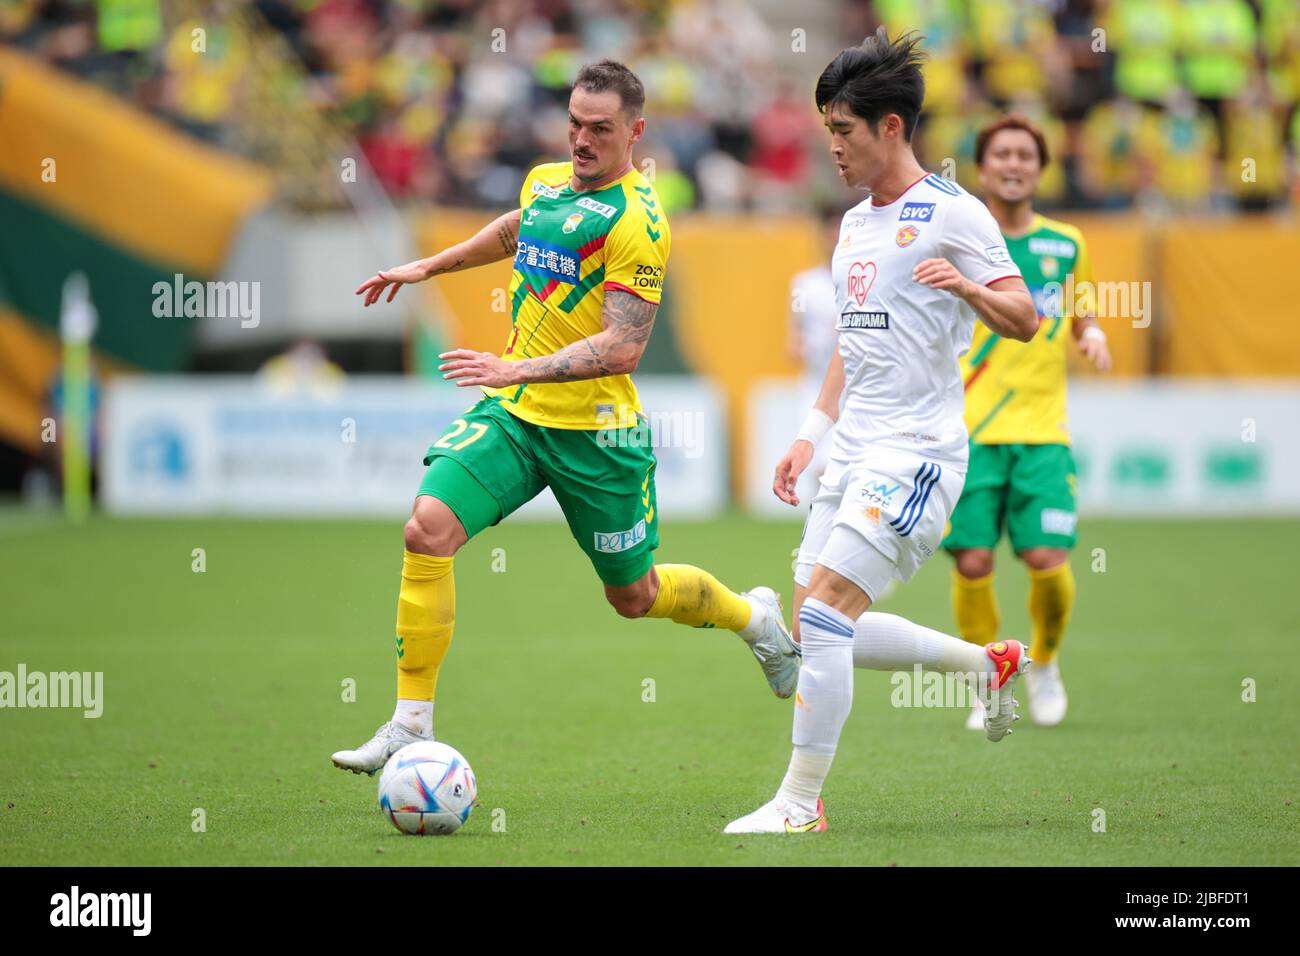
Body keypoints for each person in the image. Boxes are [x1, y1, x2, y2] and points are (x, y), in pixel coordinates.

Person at [332, 60, 798, 775]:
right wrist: (429, 267)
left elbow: (624, 345)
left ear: (636, 132)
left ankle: (754, 619)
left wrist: (511, 366)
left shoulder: (638, 221)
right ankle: (409, 725)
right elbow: (520, 228)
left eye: (600, 129)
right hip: (516, 419)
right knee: (426, 530)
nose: (581, 140)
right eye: (575, 124)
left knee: (634, 597)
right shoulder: (546, 179)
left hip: (597, 438)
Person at [726, 30, 1039, 834]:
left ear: (892, 126)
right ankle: (988, 666)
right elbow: (851, 345)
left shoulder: (954, 214)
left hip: (917, 454)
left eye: (844, 131)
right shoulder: (855, 224)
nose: (832, 146)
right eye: (828, 129)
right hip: (852, 447)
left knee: (825, 621)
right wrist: (808, 435)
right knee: (813, 633)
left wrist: (968, 285)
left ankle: (800, 805)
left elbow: (1026, 318)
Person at [945, 114, 1111, 730]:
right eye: (1002, 155)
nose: (1014, 164)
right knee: (972, 563)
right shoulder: (960, 238)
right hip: (968, 432)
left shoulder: (1066, 244)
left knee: (1047, 558)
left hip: (1043, 433)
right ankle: (991, 678)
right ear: (983, 168)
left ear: (1040, 170)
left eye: (1026, 156)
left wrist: (1093, 337)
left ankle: (1043, 662)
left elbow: (1084, 313)